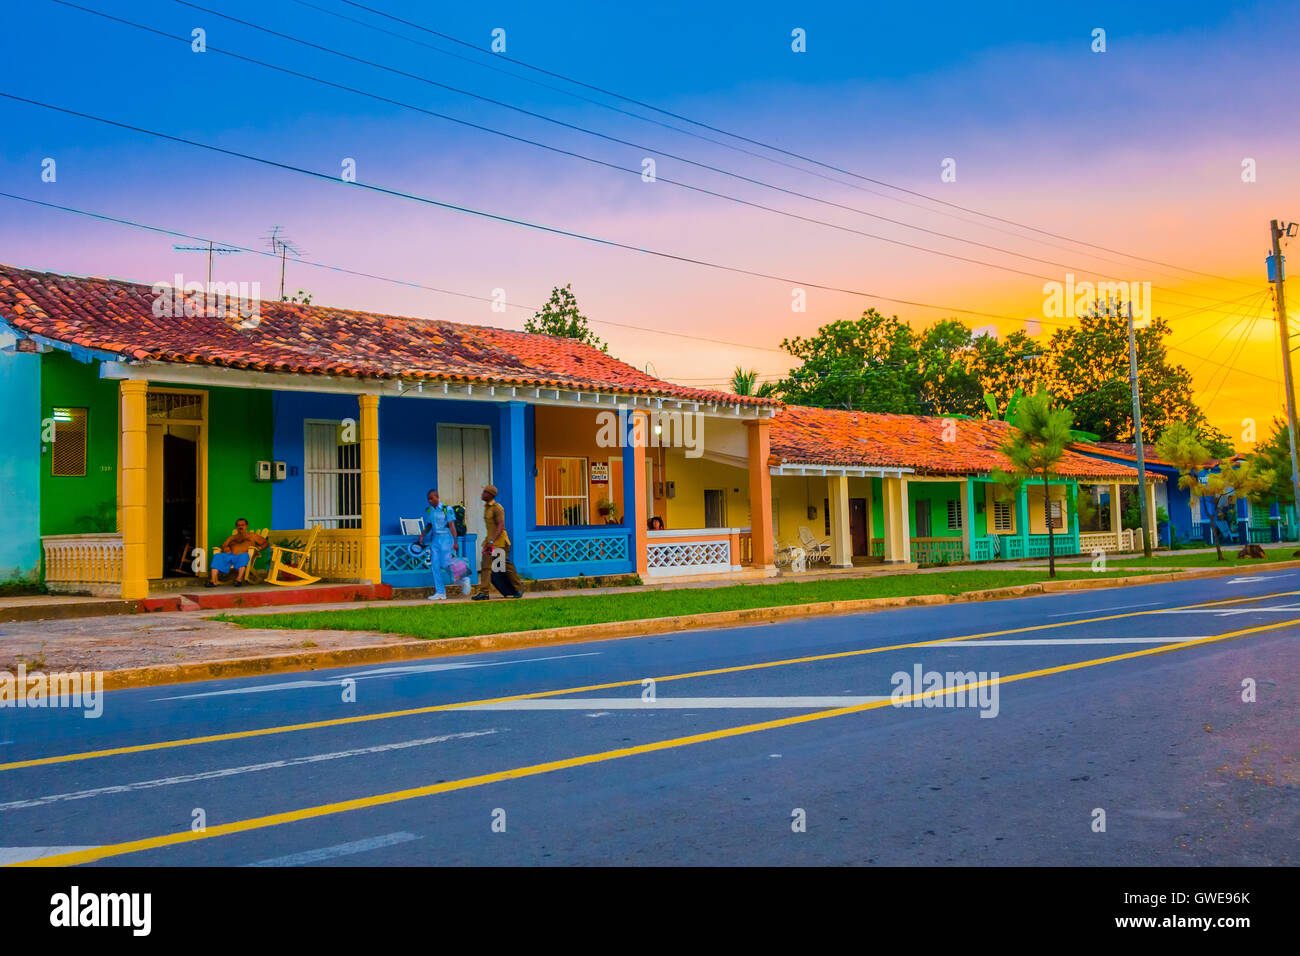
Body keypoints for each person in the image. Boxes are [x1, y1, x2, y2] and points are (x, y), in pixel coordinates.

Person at [472, 484, 524, 600]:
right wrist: (488, 542)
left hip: (499, 542)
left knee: (504, 565)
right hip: (490, 541)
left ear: (490, 495)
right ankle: (484, 593)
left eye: (485, 492)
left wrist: (491, 541)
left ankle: (519, 587)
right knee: (485, 566)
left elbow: (501, 526)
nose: (482, 494)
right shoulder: (487, 507)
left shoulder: (497, 508)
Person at [419, 489, 469, 601]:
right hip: (436, 539)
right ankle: (440, 592)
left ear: (437, 497)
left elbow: (452, 526)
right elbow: (429, 525)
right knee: (435, 566)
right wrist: (423, 534)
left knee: (445, 563)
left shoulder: (447, 509)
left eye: (431, 498)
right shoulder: (430, 510)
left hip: (446, 538)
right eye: (428, 499)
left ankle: (463, 578)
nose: (430, 501)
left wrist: (455, 542)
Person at [207, 518, 268, 587]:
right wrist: (225, 548)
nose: (240, 527)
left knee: (244, 556)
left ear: (246, 526)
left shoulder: (252, 535)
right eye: (238, 525)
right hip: (230, 555)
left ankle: (238, 579)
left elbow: (265, 543)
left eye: (242, 525)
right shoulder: (232, 537)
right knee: (217, 556)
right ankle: (213, 581)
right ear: (236, 527)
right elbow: (222, 546)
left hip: (243, 554)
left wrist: (259, 548)